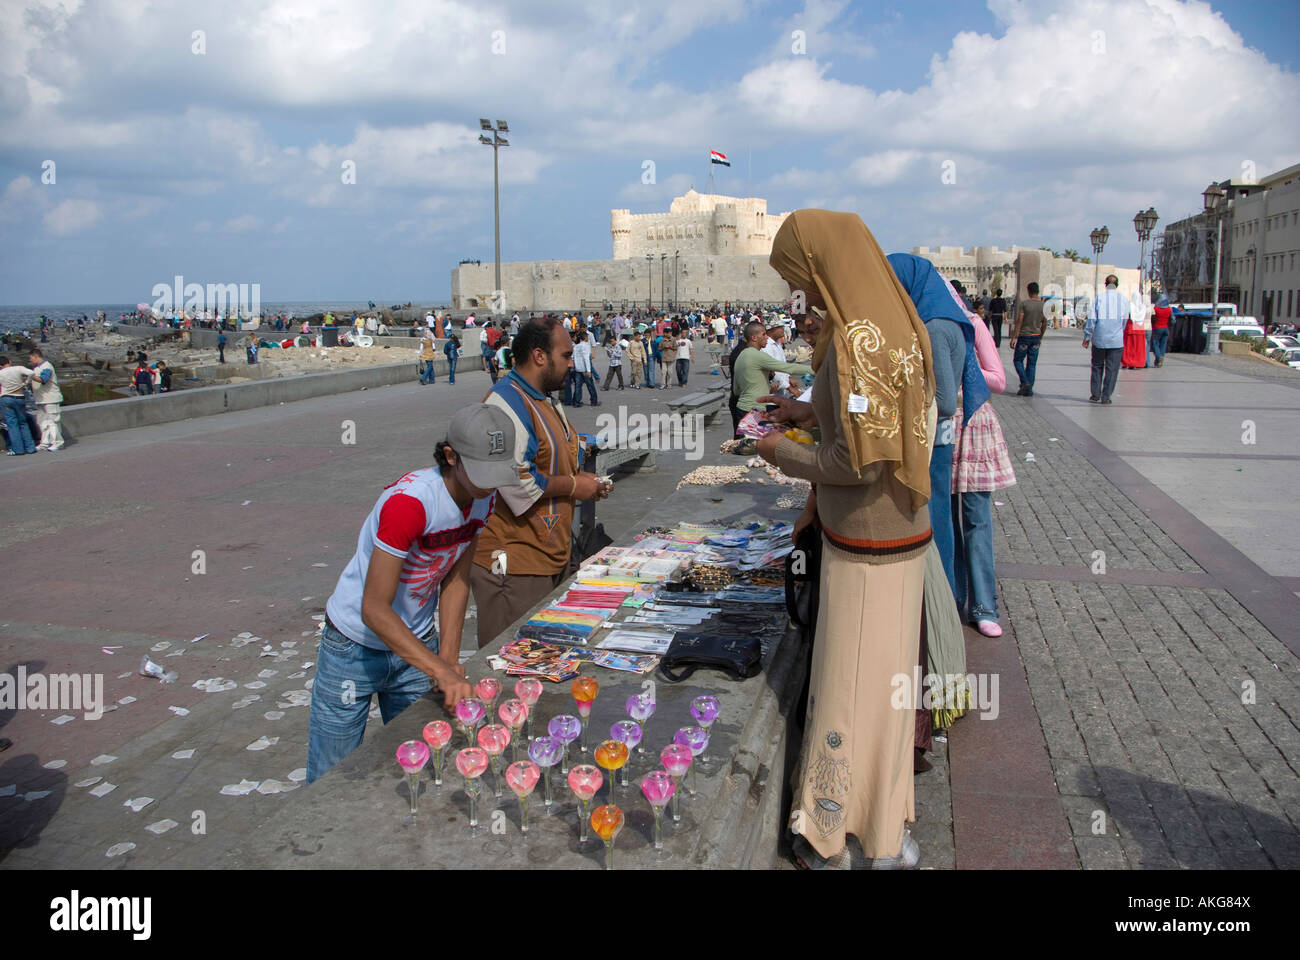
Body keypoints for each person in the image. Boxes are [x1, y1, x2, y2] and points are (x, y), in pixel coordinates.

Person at [757, 210, 935, 870]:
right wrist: (810, 412)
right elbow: (874, 433)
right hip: (900, 538)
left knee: (846, 689)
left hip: (866, 549)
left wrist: (779, 450)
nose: (793, 296)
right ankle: (886, 830)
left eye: (796, 277)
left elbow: (853, 463)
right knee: (887, 691)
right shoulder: (891, 323)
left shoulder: (858, 342)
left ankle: (835, 840)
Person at [306, 404, 518, 783]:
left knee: (422, 766)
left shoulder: (483, 498)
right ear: (451, 457)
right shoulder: (410, 504)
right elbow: (373, 608)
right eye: (481, 472)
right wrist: (437, 667)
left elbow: (456, 578)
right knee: (332, 777)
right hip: (354, 648)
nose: (489, 485)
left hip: (416, 645)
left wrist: (448, 659)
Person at [469, 318, 611, 650]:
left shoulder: (544, 399)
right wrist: (575, 487)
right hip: (513, 563)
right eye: (565, 356)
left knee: (546, 658)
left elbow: (559, 451)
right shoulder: (504, 403)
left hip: (548, 552)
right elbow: (516, 479)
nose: (571, 363)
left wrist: (584, 473)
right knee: (511, 658)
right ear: (539, 356)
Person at [889, 253, 990, 599]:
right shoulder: (945, 316)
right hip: (937, 441)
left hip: (934, 442)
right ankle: (945, 593)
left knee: (933, 521)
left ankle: (939, 598)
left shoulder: (932, 326)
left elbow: (945, 401)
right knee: (940, 518)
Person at [951, 304, 1015, 637]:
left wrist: (960, 367)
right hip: (939, 428)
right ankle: (951, 599)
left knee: (976, 519)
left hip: (973, 424)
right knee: (944, 521)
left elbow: (999, 380)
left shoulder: (974, 326)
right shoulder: (921, 326)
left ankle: (983, 607)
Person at [732, 320, 813, 437]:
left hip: (742, 408)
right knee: (758, 445)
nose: (766, 337)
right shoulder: (757, 356)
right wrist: (815, 369)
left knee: (748, 446)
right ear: (754, 338)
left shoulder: (741, 356)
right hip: (754, 410)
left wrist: (764, 388)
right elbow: (787, 368)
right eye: (764, 334)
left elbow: (736, 390)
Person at [1085, 275, 1129, 404]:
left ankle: (1095, 394)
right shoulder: (1124, 300)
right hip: (1116, 341)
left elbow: (1092, 319)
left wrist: (1087, 336)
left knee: (1097, 366)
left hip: (1099, 338)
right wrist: (1118, 332)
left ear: (1105, 284)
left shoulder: (1099, 299)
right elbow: (1124, 321)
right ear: (1118, 285)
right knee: (1112, 369)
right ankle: (1106, 396)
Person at [1008, 281, 1047, 396]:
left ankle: (1025, 383)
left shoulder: (1024, 304)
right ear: (1038, 291)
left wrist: (1014, 336)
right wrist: (1041, 336)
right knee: (1032, 364)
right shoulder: (1043, 305)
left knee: (1018, 360)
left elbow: (1020, 320)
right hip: (1036, 337)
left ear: (1028, 291)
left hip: (1024, 336)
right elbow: (1044, 323)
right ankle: (1028, 389)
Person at [27, 349, 64, 452]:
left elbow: (43, 379)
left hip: (51, 398)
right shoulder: (36, 368)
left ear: (35, 356)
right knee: (42, 422)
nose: (30, 361)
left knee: (53, 421)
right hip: (41, 399)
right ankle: (44, 443)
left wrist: (31, 376)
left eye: (31, 358)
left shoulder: (47, 366)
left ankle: (57, 443)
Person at [0, 357, 37, 455]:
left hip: (6, 398)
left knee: (12, 425)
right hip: (19, 397)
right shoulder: (18, 368)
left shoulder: (1, 373)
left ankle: (18, 449)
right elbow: (31, 373)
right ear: (9, 362)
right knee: (23, 423)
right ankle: (30, 448)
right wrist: (26, 383)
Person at [1121, 295, 1147, 369]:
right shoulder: (1142, 306)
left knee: (1129, 346)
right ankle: (1138, 362)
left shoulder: (1130, 306)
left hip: (1130, 327)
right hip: (1140, 328)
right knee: (1138, 347)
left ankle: (1127, 362)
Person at [1151, 294, 1172, 367]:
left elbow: (1153, 318)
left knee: (1155, 343)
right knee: (1163, 344)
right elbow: (1172, 320)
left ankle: (1158, 357)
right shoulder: (1169, 309)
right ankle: (1161, 359)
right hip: (1166, 328)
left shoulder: (1156, 308)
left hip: (1157, 328)